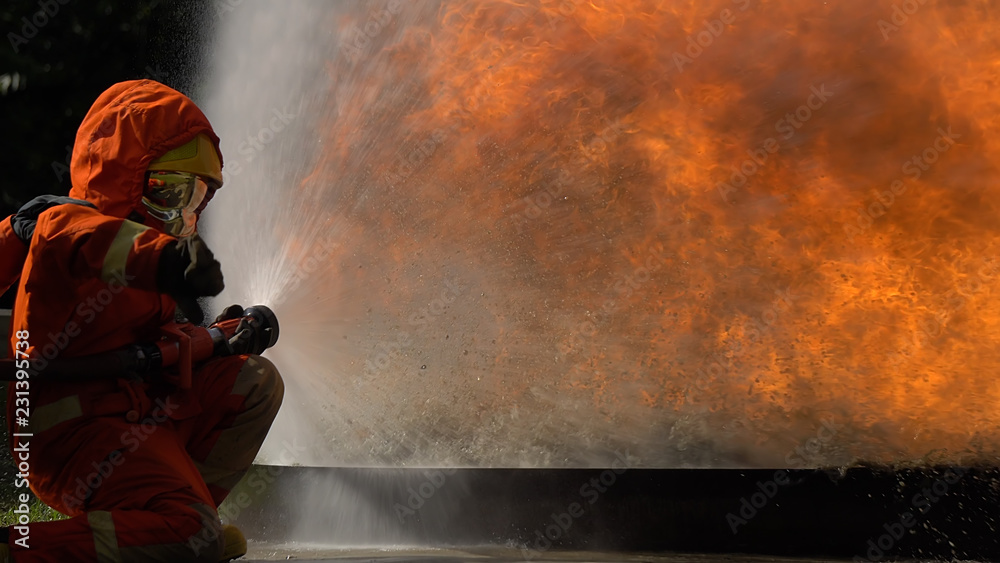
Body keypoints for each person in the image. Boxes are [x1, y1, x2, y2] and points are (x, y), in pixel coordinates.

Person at [0, 80, 284, 562]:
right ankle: (20, 550)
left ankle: (174, 524)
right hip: (72, 432)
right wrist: (169, 261)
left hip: (136, 410)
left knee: (254, 382)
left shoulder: (147, 259)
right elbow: (108, 244)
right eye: (167, 191)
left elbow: (149, 347)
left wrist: (220, 340)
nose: (180, 213)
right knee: (189, 536)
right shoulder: (66, 226)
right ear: (125, 178)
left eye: (193, 198)